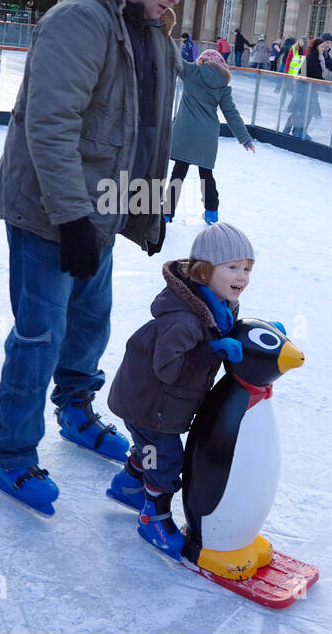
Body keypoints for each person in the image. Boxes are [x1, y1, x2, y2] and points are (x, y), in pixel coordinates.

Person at [0, 0, 202, 512]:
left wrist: (144, 210)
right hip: (47, 212)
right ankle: (10, 453)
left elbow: (146, 130)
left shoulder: (148, 28)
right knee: (39, 334)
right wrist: (72, 219)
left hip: (100, 210)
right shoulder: (81, 21)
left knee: (89, 324)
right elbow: (49, 128)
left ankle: (76, 412)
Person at [105, 223, 255, 556]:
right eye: (232, 267)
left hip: (158, 403)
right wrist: (211, 351)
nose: (242, 276)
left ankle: (129, 486)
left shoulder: (220, 307)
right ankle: (152, 517)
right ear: (204, 270)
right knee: (167, 459)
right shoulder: (184, 321)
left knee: (149, 450)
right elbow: (167, 370)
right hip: (149, 405)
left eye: (246, 268)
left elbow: (222, 332)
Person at [165, 49, 254, 225]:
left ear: (203, 60)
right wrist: (245, 139)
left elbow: (172, 56)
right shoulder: (223, 85)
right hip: (207, 136)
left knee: (178, 173)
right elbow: (231, 114)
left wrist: (161, 34)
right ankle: (212, 213)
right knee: (206, 175)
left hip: (186, 132)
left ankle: (167, 213)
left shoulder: (192, 71)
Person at [283, 37, 323, 139]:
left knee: (304, 110)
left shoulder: (315, 56)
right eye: (322, 46)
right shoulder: (310, 56)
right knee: (299, 110)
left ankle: (295, 131)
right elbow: (314, 73)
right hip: (303, 87)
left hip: (307, 87)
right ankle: (294, 131)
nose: (323, 48)